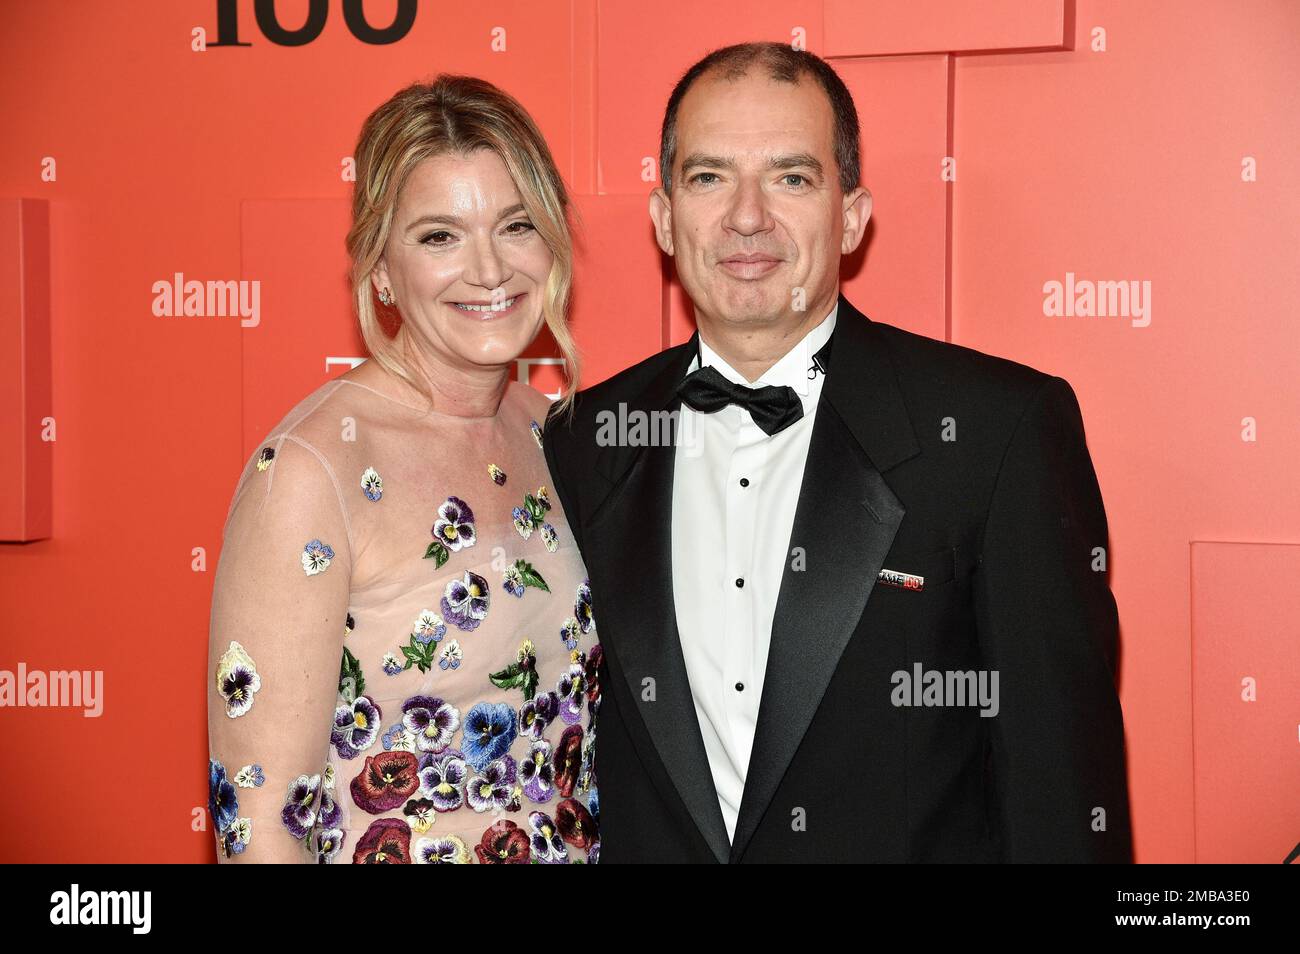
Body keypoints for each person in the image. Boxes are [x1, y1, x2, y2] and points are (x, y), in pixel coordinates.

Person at [542, 42, 1133, 863]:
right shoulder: (577, 443)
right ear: (663, 217)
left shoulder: (997, 433)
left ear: (851, 216)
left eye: (791, 177)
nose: (747, 217)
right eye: (709, 177)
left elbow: (1060, 795)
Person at [206, 75, 601, 864]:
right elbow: (257, 829)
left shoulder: (551, 430)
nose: (489, 270)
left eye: (516, 224)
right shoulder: (311, 474)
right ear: (380, 268)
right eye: (439, 236)